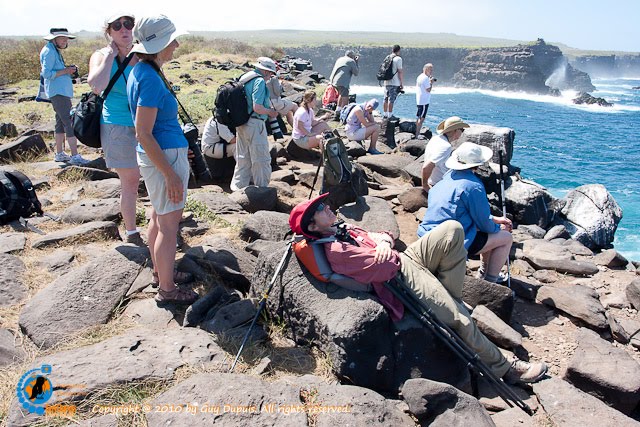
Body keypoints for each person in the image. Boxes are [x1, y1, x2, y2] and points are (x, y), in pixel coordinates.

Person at [289, 193, 547, 384]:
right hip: (400, 277)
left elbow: (381, 233)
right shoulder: (337, 251)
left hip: (404, 260)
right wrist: (383, 244)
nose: (328, 207)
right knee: (459, 319)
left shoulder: (337, 229)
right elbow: (386, 267)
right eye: (321, 209)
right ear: (312, 227)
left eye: (324, 204)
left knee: (452, 230)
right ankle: (507, 369)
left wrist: (384, 241)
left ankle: (448, 299)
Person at [127, 15, 198, 305]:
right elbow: (143, 132)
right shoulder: (150, 78)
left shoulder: (141, 71)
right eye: (172, 40)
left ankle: (161, 274)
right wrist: (170, 172)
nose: (176, 45)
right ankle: (167, 290)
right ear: (158, 45)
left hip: (162, 154)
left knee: (158, 217)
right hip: (163, 157)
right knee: (169, 228)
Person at [418, 142, 514, 284]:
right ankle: (490, 282)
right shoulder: (473, 186)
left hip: (426, 235)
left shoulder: (447, 177)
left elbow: (457, 210)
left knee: (487, 230)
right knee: (505, 237)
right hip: (450, 243)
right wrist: (497, 227)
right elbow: (484, 223)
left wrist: (494, 219)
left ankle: (483, 271)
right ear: (478, 164)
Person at [88, 13, 143, 245]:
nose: (124, 29)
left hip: (145, 122)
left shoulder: (142, 54)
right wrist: (110, 55)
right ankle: (132, 232)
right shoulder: (101, 55)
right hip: (117, 125)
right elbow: (96, 86)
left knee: (153, 176)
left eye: (128, 24)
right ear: (109, 32)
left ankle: (163, 225)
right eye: (117, 26)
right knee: (130, 181)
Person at [39, 28, 90, 165]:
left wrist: (67, 70)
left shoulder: (52, 50)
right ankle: (75, 156)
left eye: (66, 38)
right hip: (58, 92)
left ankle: (60, 153)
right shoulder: (50, 51)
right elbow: (47, 74)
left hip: (60, 92)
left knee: (60, 123)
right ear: (53, 39)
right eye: (62, 38)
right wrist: (66, 71)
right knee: (69, 122)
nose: (65, 41)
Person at [230, 57, 280, 192]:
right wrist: (270, 112)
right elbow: (257, 107)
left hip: (241, 123)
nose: (270, 76)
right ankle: (262, 189)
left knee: (243, 157)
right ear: (265, 71)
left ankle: (238, 189)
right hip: (255, 123)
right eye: (270, 73)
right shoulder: (259, 81)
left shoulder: (244, 79)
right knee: (261, 158)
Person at [422, 116, 469, 191]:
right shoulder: (446, 146)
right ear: (456, 130)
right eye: (462, 130)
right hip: (438, 184)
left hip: (433, 180)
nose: (462, 133)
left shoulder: (436, 138)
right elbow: (427, 166)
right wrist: (425, 185)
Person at [383, 45, 404, 119]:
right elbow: (400, 72)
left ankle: (385, 114)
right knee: (391, 99)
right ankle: (390, 115)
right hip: (394, 82)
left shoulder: (387, 57)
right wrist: (401, 83)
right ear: (399, 50)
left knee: (385, 98)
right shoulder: (398, 59)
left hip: (386, 82)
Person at [415, 63, 434, 139]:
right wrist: (431, 83)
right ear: (426, 69)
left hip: (419, 99)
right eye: (430, 69)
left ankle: (417, 132)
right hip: (424, 101)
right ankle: (417, 134)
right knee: (422, 118)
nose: (431, 71)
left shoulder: (420, 76)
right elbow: (428, 89)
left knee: (419, 116)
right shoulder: (425, 78)